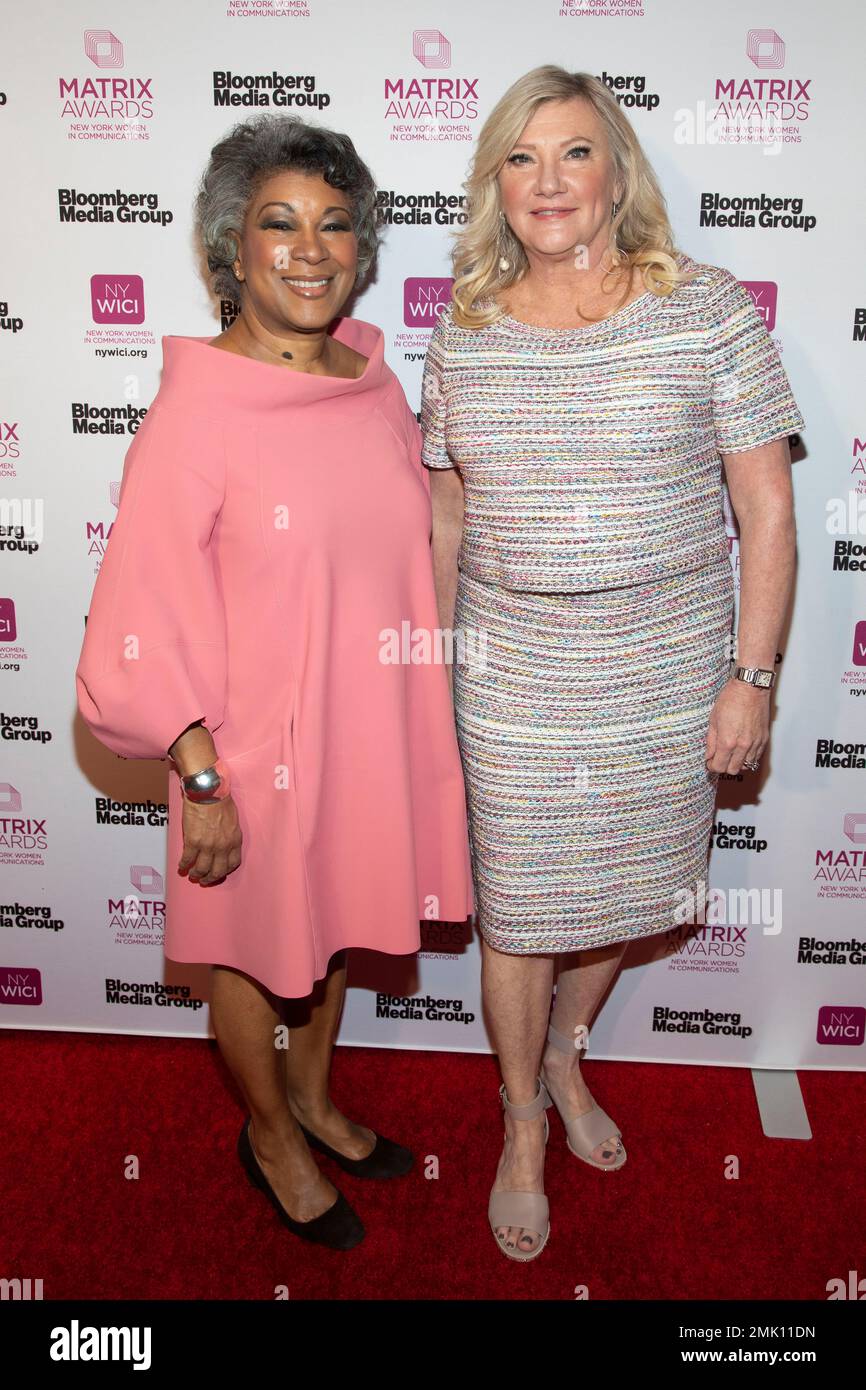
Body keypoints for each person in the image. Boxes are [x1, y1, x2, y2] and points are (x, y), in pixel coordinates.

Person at [420, 65, 803, 1261]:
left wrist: (750, 678)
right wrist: (430, 673)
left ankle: (567, 1057)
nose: (547, 182)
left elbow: (768, 513)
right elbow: (443, 517)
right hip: (513, 675)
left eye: (573, 153)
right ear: (496, 181)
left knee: (631, 902)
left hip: (667, 668)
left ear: (615, 172)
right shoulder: (464, 328)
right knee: (524, 914)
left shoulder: (704, 306)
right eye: (522, 159)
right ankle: (520, 1119)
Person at [76, 113, 474, 1251]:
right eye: (278, 224)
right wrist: (198, 774)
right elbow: (139, 613)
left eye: (335, 225)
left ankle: (312, 1097)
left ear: (362, 249)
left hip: (364, 727)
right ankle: (272, 1135)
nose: (310, 248)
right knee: (253, 953)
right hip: (246, 749)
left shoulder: (372, 380)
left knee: (334, 931)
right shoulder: (197, 409)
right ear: (230, 250)